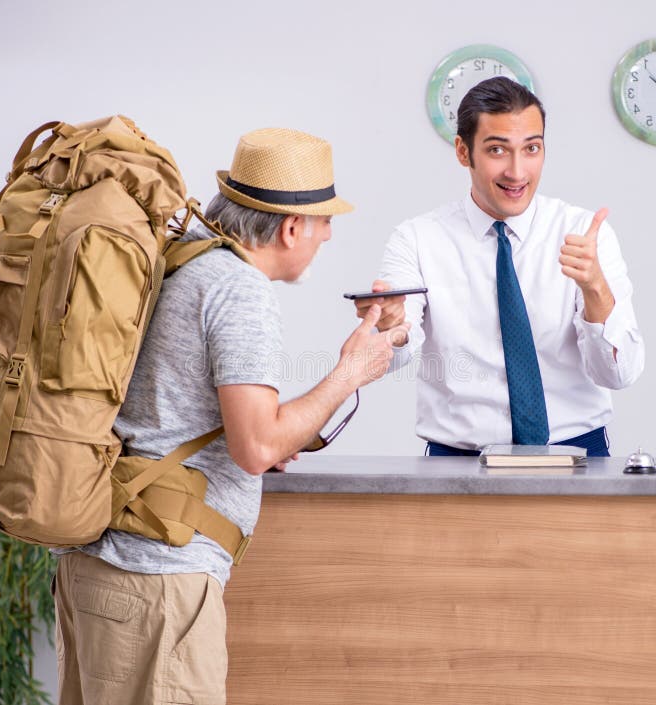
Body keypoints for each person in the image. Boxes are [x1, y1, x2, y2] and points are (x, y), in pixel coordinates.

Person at [52, 127, 409, 704]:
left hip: (97, 570)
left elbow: (213, 421)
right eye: (323, 221)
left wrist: (379, 353)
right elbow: (257, 447)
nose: (328, 234)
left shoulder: (180, 262)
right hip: (159, 587)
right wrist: (350, 372)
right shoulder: (240, 289)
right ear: (292, 227)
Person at [355, 77, 644, 457]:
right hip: (456, 462)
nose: (517, 171)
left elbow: (619, 375)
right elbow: (388, 357)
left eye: (532, 148)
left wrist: (595, 289)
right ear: (463, 151)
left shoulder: (584, 235)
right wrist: (391, 328)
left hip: (577, 456)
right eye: (497, 150)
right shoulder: (417, 239)